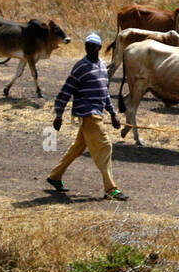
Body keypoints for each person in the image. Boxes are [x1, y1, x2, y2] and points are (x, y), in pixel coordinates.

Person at [46, 32, 128, 201]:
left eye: (93, 46)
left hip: (96, 114)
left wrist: (113, 114)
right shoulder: (80, 67)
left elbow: (104, 93)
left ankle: (55, 176)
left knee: (77, 148)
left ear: (99, 48)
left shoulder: (102, 67)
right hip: (88, 114)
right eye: (87, 46)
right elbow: (66, 90)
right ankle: (111, 188)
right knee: (105, 147)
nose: (90, 49)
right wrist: (58, 114)